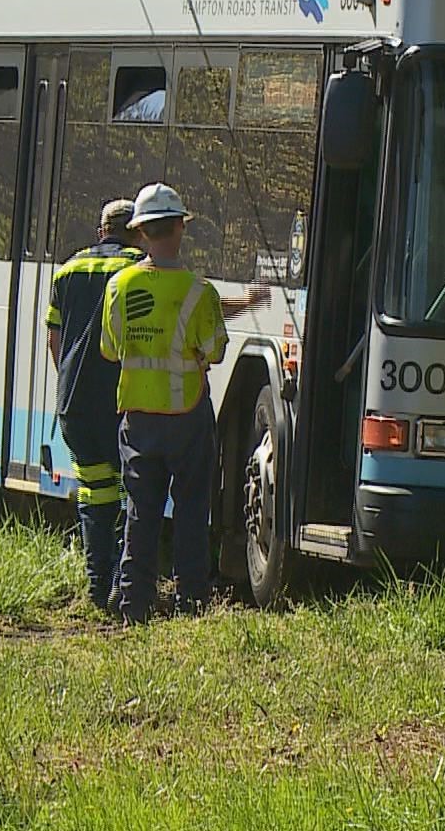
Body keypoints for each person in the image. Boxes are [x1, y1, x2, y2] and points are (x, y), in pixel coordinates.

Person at [100, 182, 267, 622]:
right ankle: (190, 602)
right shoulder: (200, 292)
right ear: (179, 229)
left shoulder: (118, 287)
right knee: (192, 513)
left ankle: (133, 603)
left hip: (137, 419)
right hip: (187, 417)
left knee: (140, 512)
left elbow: (110, 350)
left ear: (141, 233)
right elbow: (214, 351)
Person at [45, 199, 144, 611]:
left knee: (94, 492)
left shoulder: (67, 270)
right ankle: (126, 583)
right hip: (120, 401)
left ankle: (97, 587)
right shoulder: (141, 268)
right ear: (137, 230)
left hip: (74, 402)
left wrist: (68, 381)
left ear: (100, 230)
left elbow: (54, 337)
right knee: (132, 491)